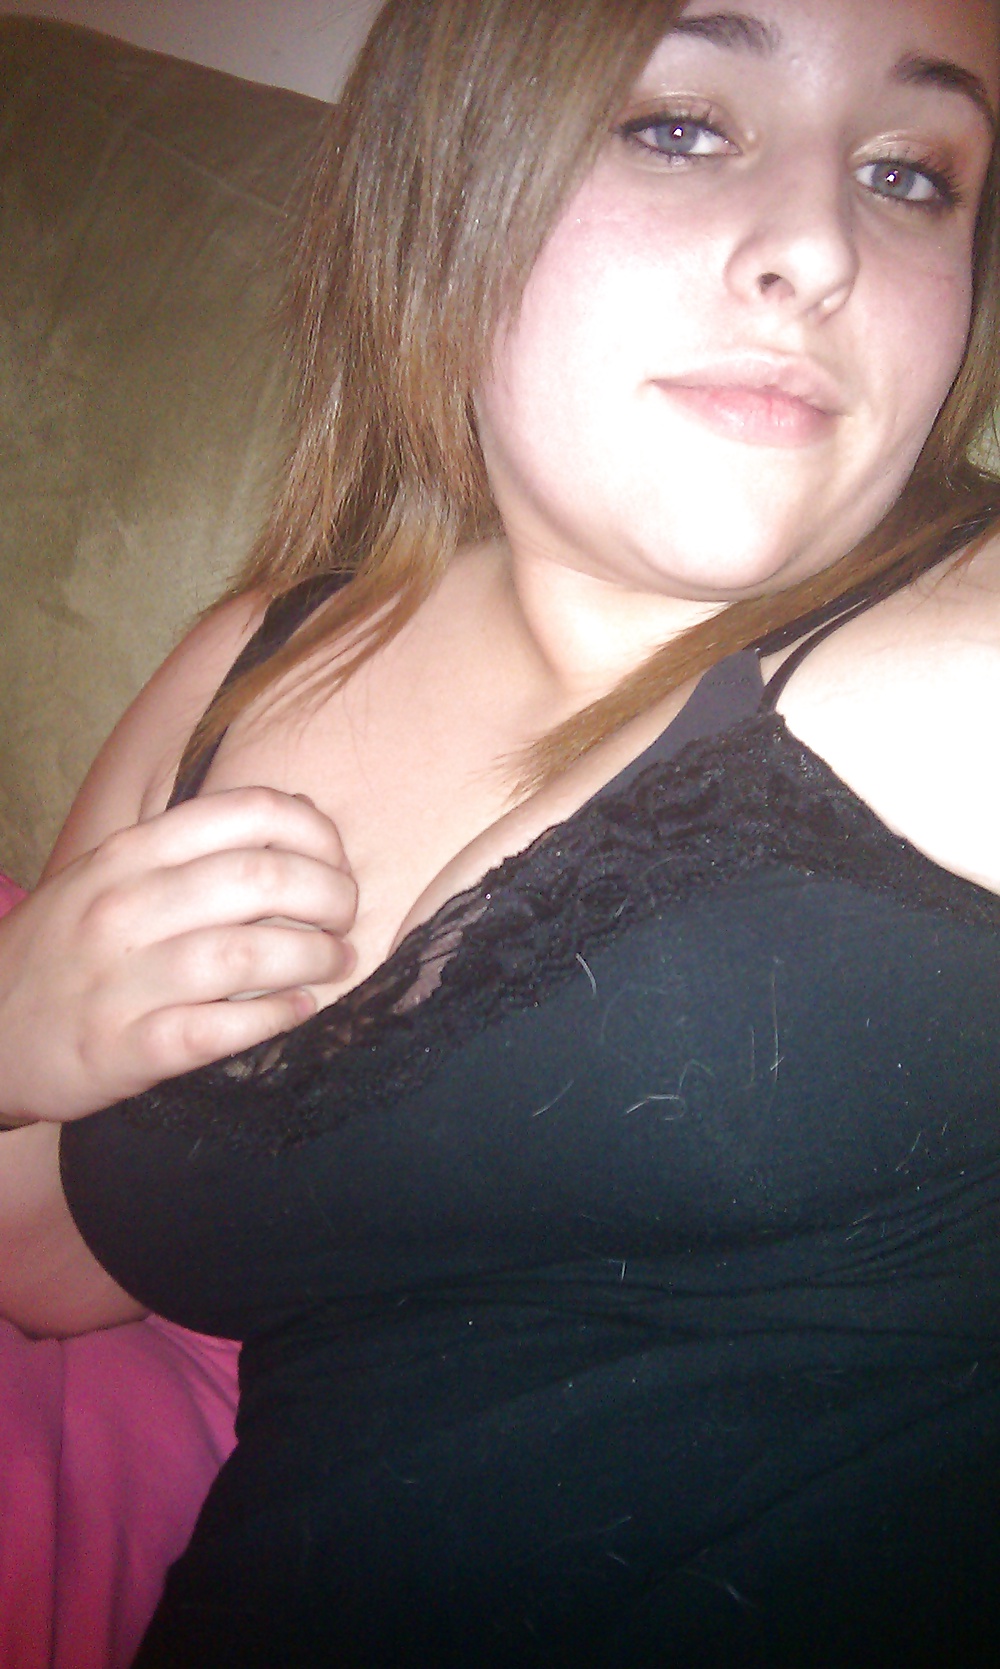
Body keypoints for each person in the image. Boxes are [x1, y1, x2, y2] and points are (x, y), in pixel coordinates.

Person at [1, 0, 999, 1661]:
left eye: (911, 174)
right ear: (449, 178)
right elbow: (54, 1252)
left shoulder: (967, 652)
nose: (822, 245)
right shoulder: (254, 661)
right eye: (680, 127)